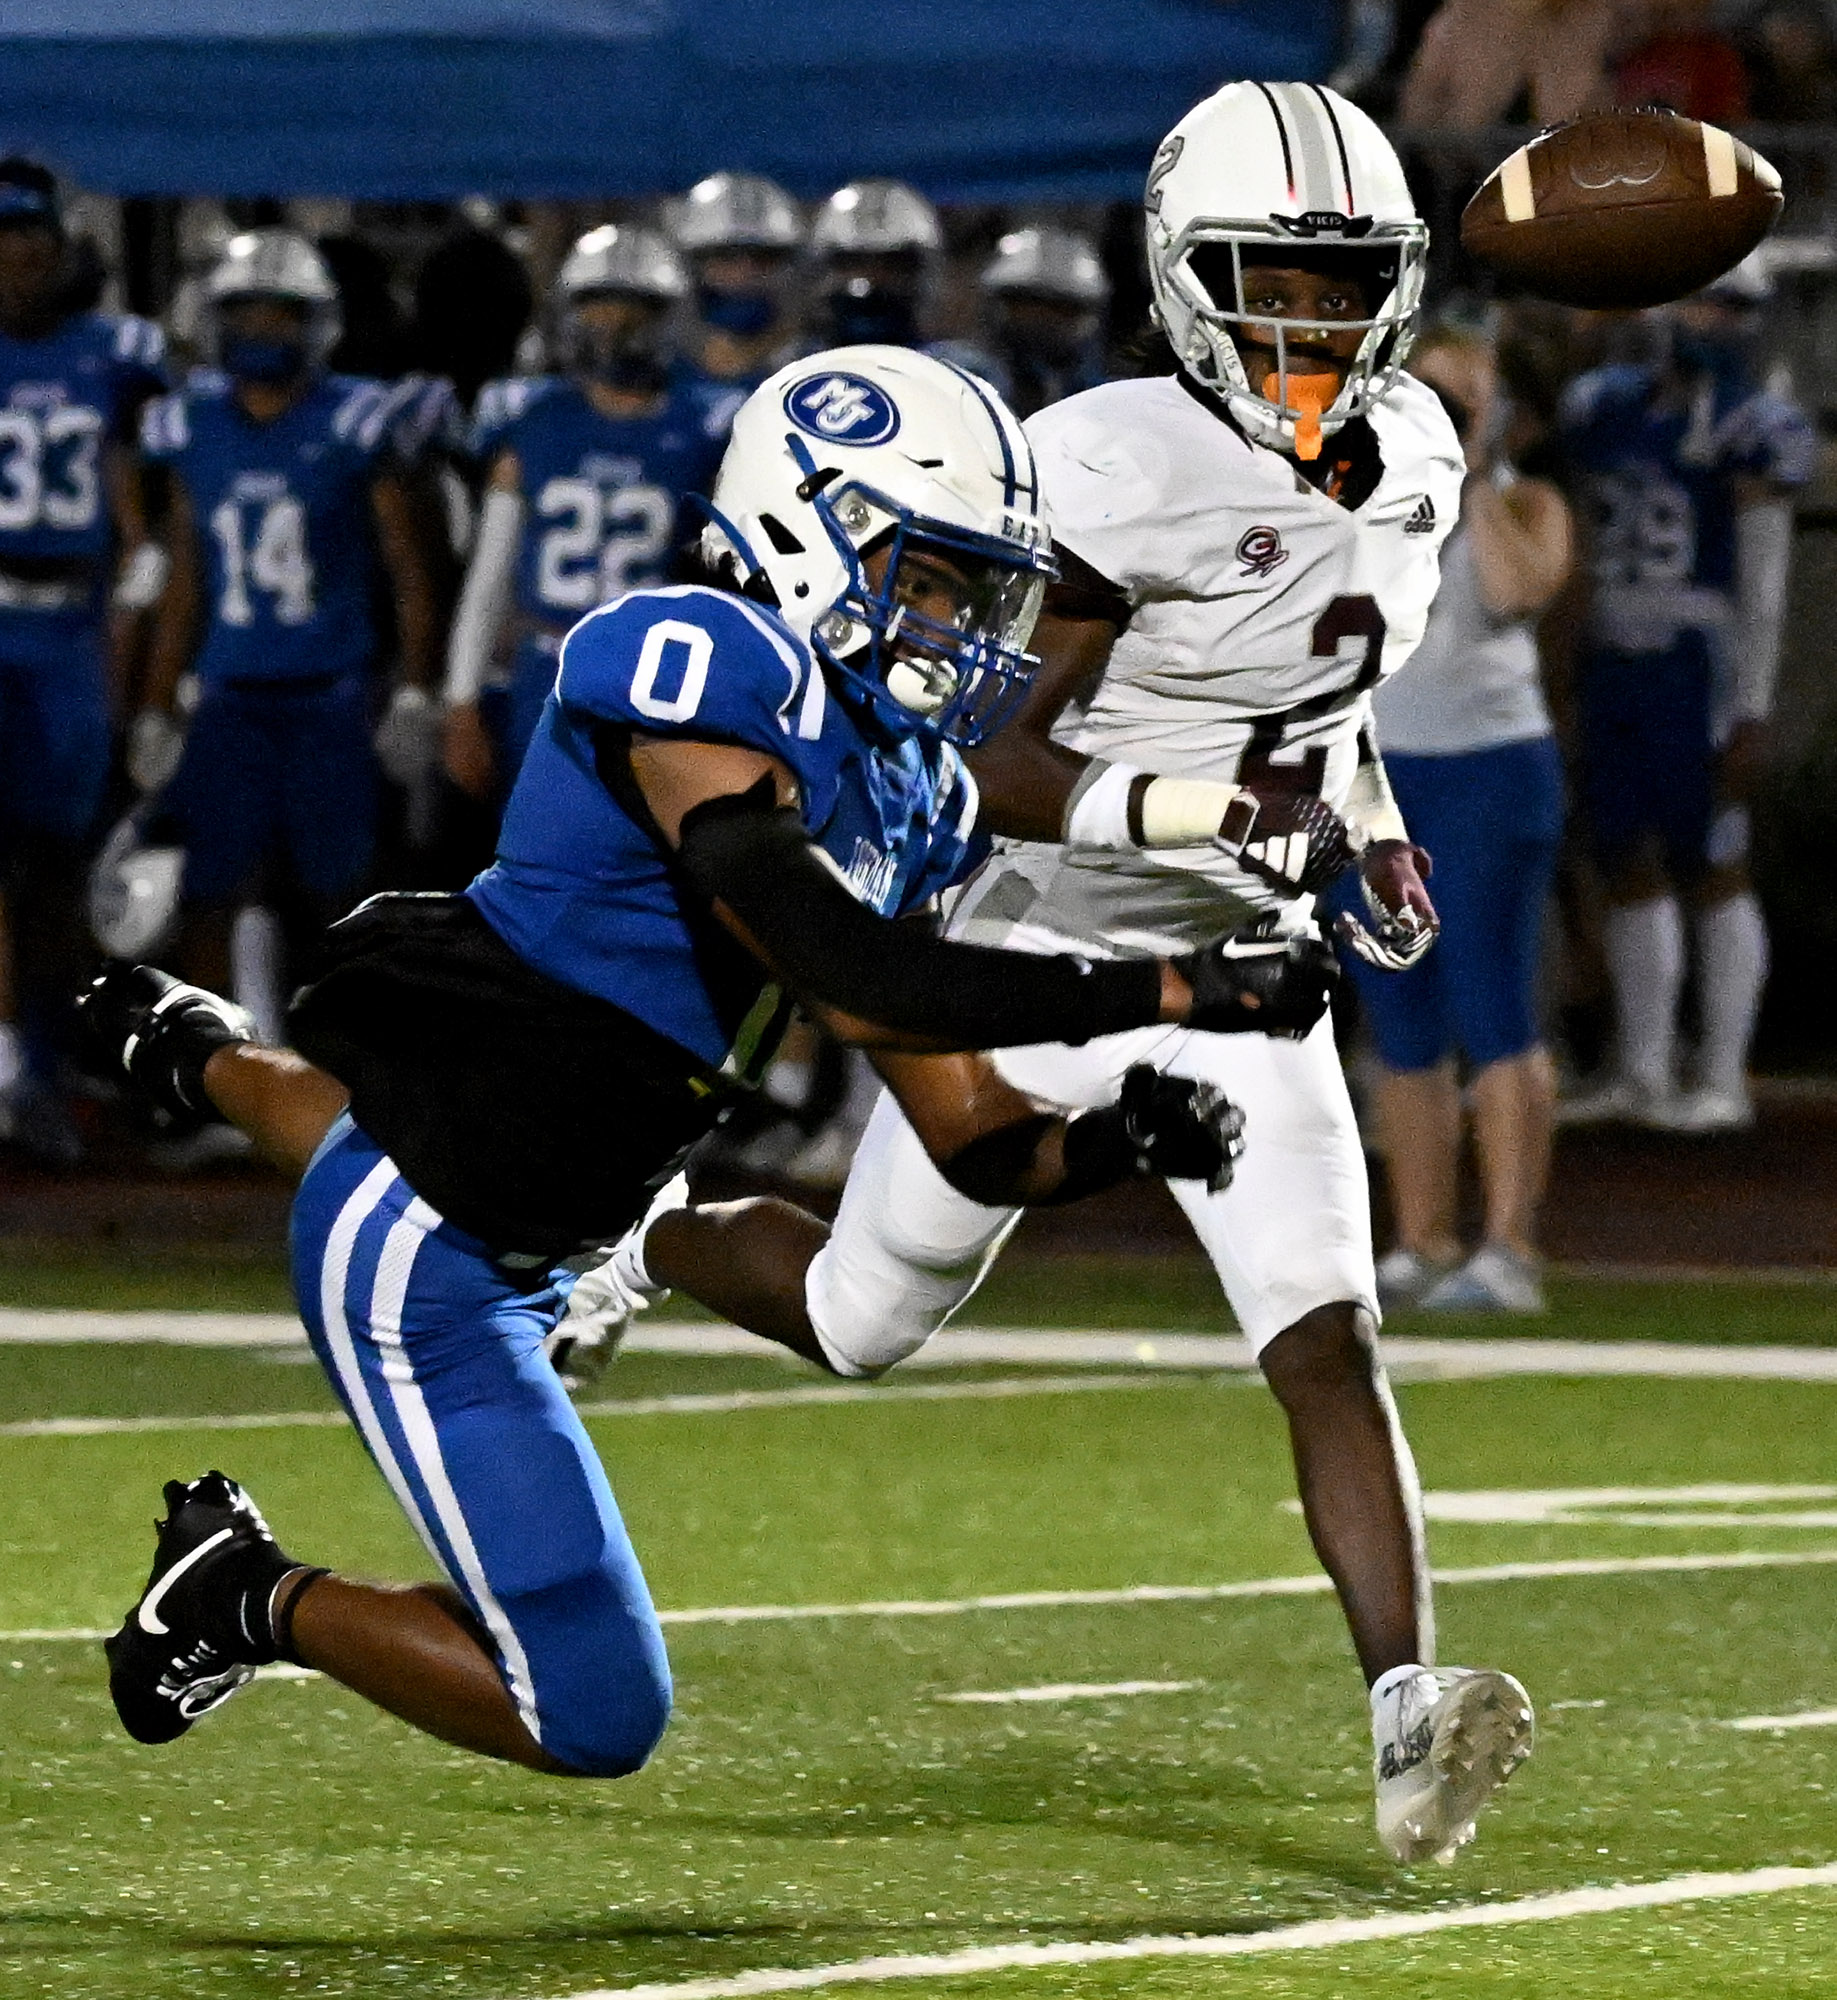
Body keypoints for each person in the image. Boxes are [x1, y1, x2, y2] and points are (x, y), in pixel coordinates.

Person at [83, 343, 1333, 1779]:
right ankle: (247, 1594)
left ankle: (195, 1051)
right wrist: (1170, 981)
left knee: (474, 1158)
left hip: (550, 1201)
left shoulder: (912, 788)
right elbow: (841, 967)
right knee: (592, 1714)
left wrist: (1125, 1136)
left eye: (975, 590)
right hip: (429, 1256)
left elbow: (971, 1130)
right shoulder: (694, 658)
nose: (960, 627)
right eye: (926, 577)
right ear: (808, 525)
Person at [589, 83, 1535, 1867]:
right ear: (1185, 276)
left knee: (1328, 1336)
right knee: (860, 1323)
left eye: (1346, 288)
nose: (1312, 326)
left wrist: (1368, 823)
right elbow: (983, 753)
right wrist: (1225, 816)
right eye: (1272, 281)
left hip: (1233, 968)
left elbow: (1322, 713)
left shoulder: (1418, 445)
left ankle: (1407, 1709)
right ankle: (641, 1238)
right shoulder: (1099, 461)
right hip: (1021, 937)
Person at [133, 230, 444, 1005]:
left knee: (342, 896)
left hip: (330, 692)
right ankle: (216, 1073)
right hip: (228, 694)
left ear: (318, 324)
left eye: (282, 315)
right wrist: (155, 700)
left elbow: (409, 571)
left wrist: (415, 689)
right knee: (209, 889)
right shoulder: (191, 424)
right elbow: (185, 578)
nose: (263, 333)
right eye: (246, 314)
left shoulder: (355, 418)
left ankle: (346, 1069)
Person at [1559, 256, 1814, 1132]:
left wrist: (1750, 705)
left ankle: (1720, 1073)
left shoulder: (1752, 424)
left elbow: (1766, 580)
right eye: (1706, 302)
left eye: (1732, 306)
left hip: (1693, 656)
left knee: (1712, 858)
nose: (1717, 323)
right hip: (1615, 653)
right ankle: (1641, 1068)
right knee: (1624, 855)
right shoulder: (1606, 404)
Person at [1353, 324, 1573, 1313]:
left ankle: (1510, 1244)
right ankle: (1421, 1236)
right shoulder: (1362, 504)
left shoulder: (1527, 498)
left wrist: (1473, 465)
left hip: (1488, 771)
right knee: (1399, 1018)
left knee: (1492, 1005)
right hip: (1379, 779)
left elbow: (1519, 588)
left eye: (1457, 401)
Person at [0, 156, 167, 1160]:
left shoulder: (115, 353)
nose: (19, 258)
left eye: (33, 239)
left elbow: (144, 512)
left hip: (70, 624)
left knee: (60, 865)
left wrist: (136, 649)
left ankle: (48, 1064)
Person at [441, 225, 727, 801]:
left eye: (633, 315)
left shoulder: (708, 425)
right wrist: (461, 699)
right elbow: (490, 575)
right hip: (550, 669)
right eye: (599, 313)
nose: (615, 333)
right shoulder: (531, 417)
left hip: (660, 676)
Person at [669, 172, 806, 399]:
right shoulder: (661, 339)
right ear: (695, 257)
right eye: (725, 255)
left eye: (763, 256)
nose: (745, 268)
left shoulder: (813, 340)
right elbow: (724, 360)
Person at [975, 225, 1111, 420]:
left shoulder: (1106, 399)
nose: (1043, 322)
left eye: (1061, 310)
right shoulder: (964, 380)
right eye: (1026, 308)